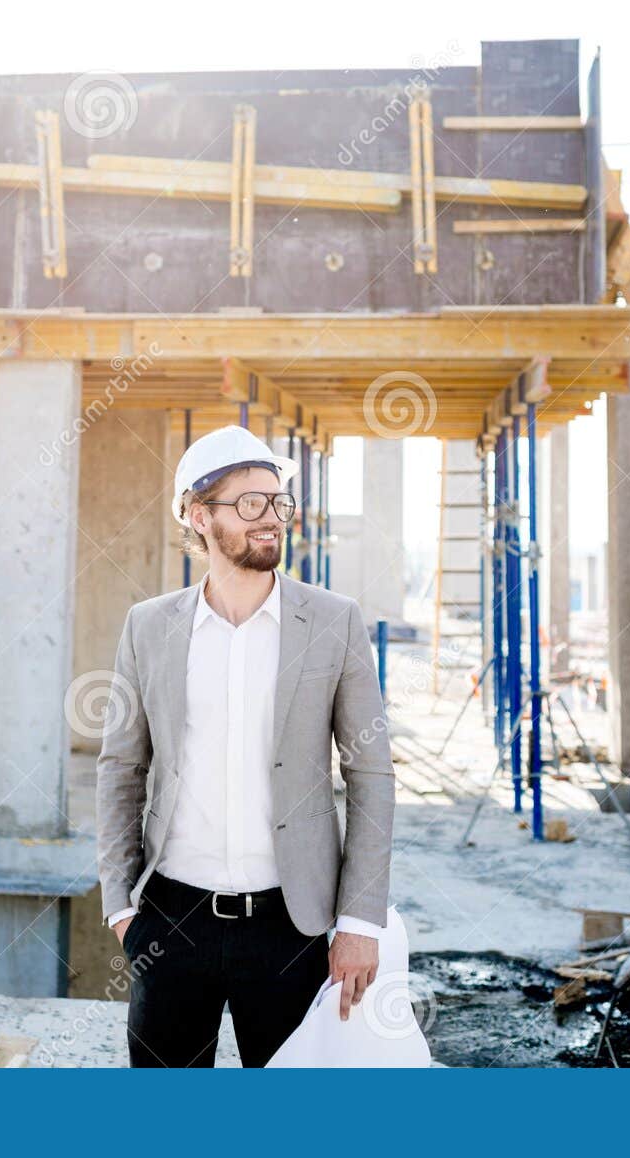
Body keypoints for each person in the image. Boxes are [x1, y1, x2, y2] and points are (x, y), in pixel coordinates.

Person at [95, 424, 396, 1067]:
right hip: (169, 920)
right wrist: (120, 905)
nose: (272, 517)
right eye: (250, 503)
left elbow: (371, 772)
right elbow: (121, 766)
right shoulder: (148, 627)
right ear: (199, 516)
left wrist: (360, 921)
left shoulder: (334, 620)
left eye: (278, 502)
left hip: (293, 924)